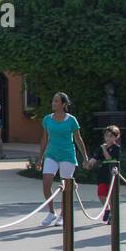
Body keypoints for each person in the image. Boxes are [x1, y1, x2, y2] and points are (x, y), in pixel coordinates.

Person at [37, 92, 91, 226]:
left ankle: (63, 214)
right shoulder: (47, 119)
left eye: (56, 101)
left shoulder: (71, 120)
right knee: (46, 183)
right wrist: (40, 158)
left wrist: (85, 158)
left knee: (65, 186)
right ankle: (51, 212)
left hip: (67, 155)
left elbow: (78, 139)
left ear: (63, 104)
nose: (53, 103)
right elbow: (44, 139)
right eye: (53, 101)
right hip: (51, 154)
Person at [93, 125, 121, 224]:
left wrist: (104, 149)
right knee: (101, 194)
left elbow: (109, 158)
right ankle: (107, 209)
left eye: (111, 136)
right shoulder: (100, 148)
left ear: (115, 137)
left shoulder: (116, 148)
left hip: (112, 175)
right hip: (102, 174)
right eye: (106, 136)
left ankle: (112, 215)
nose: (108, 138)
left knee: (112, 196)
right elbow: (95, 158)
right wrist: (88, 163)